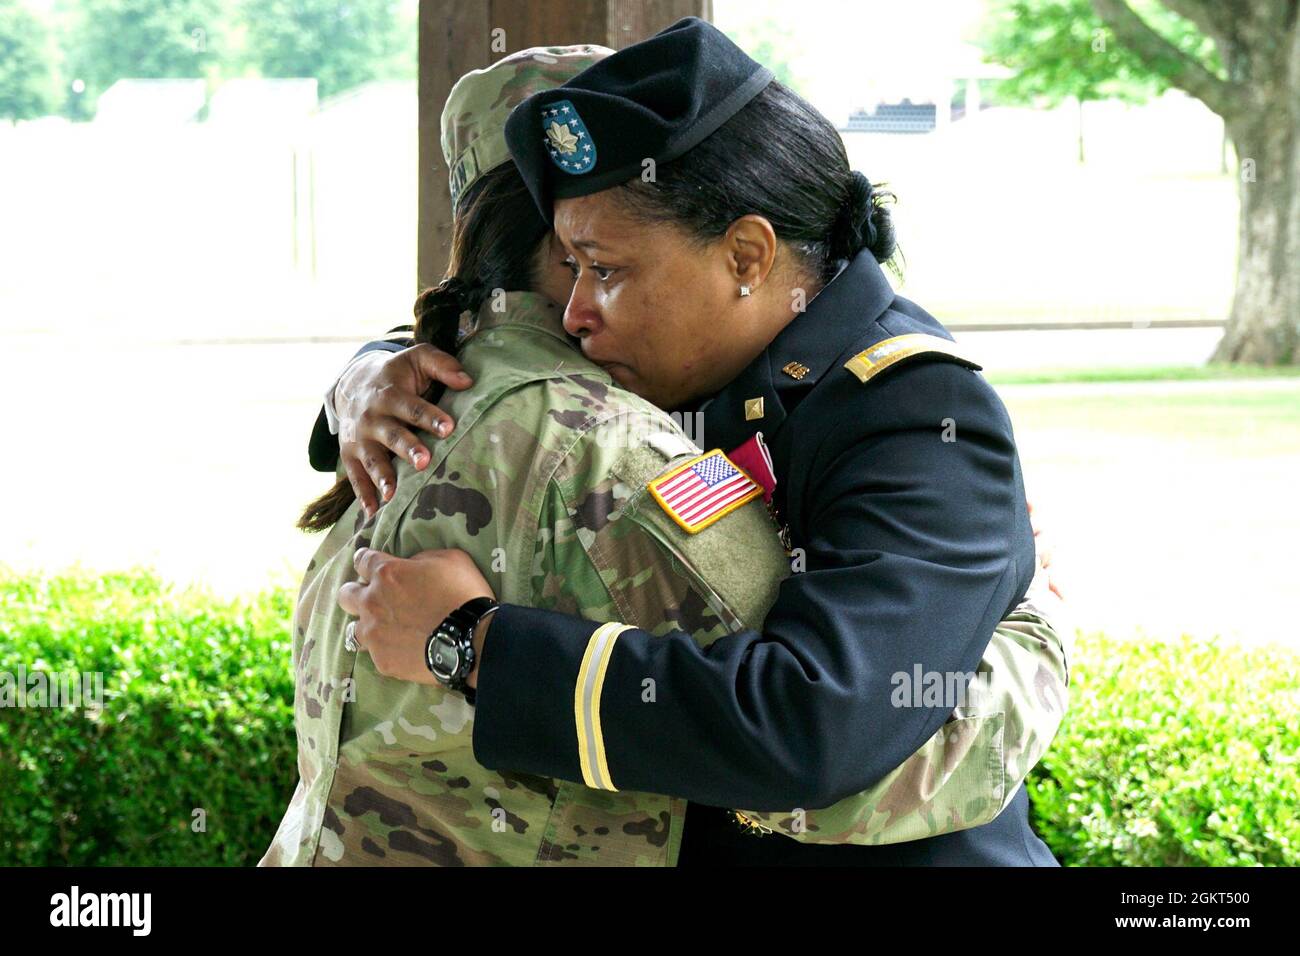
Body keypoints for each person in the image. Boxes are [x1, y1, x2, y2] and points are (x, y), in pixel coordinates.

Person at [263, 44, 1069, 867]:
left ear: (748, 257)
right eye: (569, 267)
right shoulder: (696, 361)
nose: (575, 311)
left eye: (604, 270)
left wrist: (473, 644)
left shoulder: (912, 415)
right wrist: (359, 377)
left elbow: (810, 729)